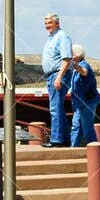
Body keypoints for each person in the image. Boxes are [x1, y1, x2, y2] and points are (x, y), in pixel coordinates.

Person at [40, 13, 74, 147]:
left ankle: (56, 140)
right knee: (58, 107)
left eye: (50, 23)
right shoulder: (51, 37)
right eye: (46, 23)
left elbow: (67, 58)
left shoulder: (62, 36)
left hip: (58, 75)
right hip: (52, 75)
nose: (47, 26)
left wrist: (59, 77)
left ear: (57, 24)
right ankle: (64, 139)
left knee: (55, 108)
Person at [68, 43, 100, 147]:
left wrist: (73, 65)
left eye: (71, 53)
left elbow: (84, 72)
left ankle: (94, 151)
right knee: (76, 126)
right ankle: (73, 148)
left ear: (77, 55)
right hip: (79, 103)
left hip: (87, 102)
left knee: (87, 127)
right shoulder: (75, 69)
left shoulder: (83, 65)